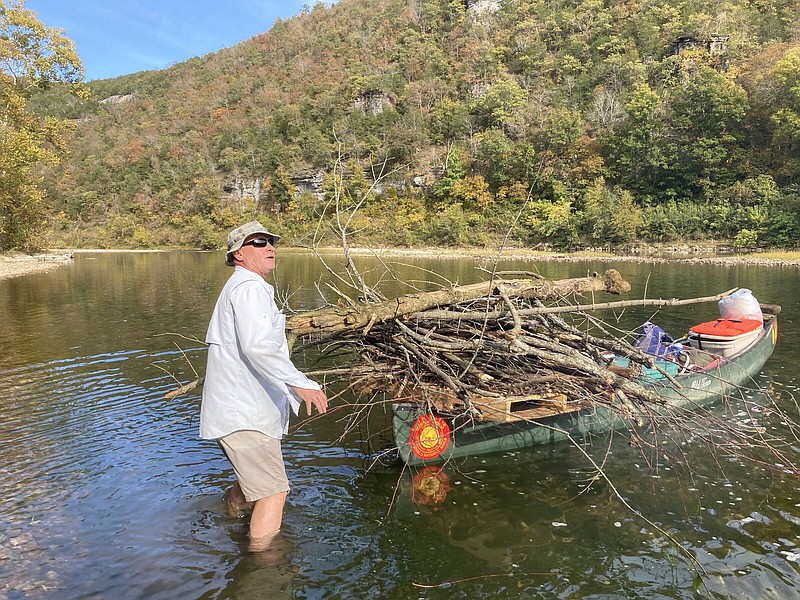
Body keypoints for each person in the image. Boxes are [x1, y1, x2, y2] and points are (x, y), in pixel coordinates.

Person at [200, 221, 328, 549]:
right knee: (273, 491)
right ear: (238, 254)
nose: (270, 247)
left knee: (251, 484)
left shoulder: (241, 287)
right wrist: (302, 384)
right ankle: (262, 568)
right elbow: (258, 347)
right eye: (259, 242)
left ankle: (233, 521)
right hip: (244, 415)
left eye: (271, 242)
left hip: (237, 413)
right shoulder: (249, 288)